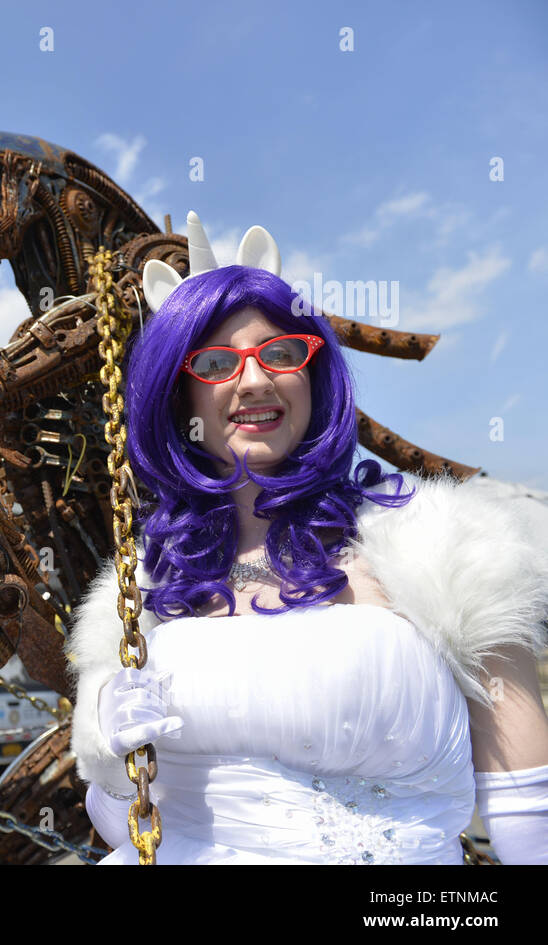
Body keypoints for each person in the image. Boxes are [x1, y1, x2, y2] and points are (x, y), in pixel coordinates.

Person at [69, 211, 548, 865]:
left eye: (281, 353)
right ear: (178, 399)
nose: (256, 380)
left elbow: (529, 810)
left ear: (312, 376)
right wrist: (105, 752)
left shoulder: (444, 549)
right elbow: (130, 824)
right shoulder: (140, 595)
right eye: (215, 363)